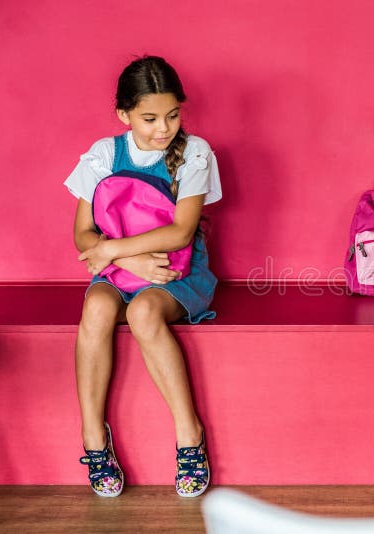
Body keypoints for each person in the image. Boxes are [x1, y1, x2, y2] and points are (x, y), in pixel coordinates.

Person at [64, 56, 222, 496]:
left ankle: (189, 435)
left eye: (173, 115)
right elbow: (82, 234)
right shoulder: (103, 154)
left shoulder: (194, 152)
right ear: (124, 114)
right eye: (149, 118)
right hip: (122, 268)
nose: (163, 128)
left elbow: (181, 231)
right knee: (96, 308)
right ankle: (94, 438)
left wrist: (111, 249)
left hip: (178, 268)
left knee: (145, 313)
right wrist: (124, 260)